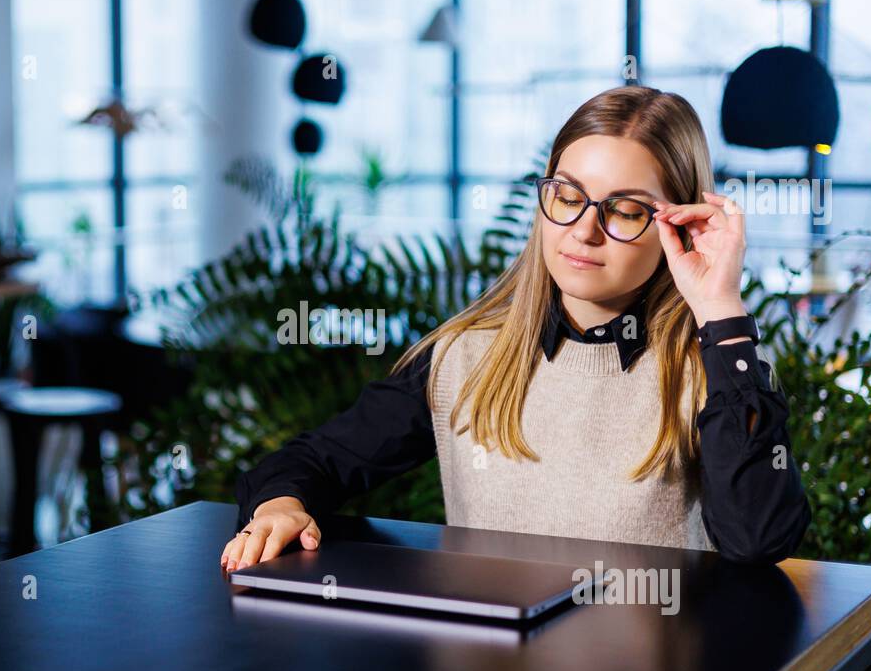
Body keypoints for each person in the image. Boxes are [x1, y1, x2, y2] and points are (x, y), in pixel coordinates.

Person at [224, 85, 812, 572]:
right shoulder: (464, 356)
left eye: (627, 211)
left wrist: (720, 311)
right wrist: (280, 504)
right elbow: (315, 460)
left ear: (676, 225)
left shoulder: (712, 369)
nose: (585, 230)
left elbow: (758, 538)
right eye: (567, 195)